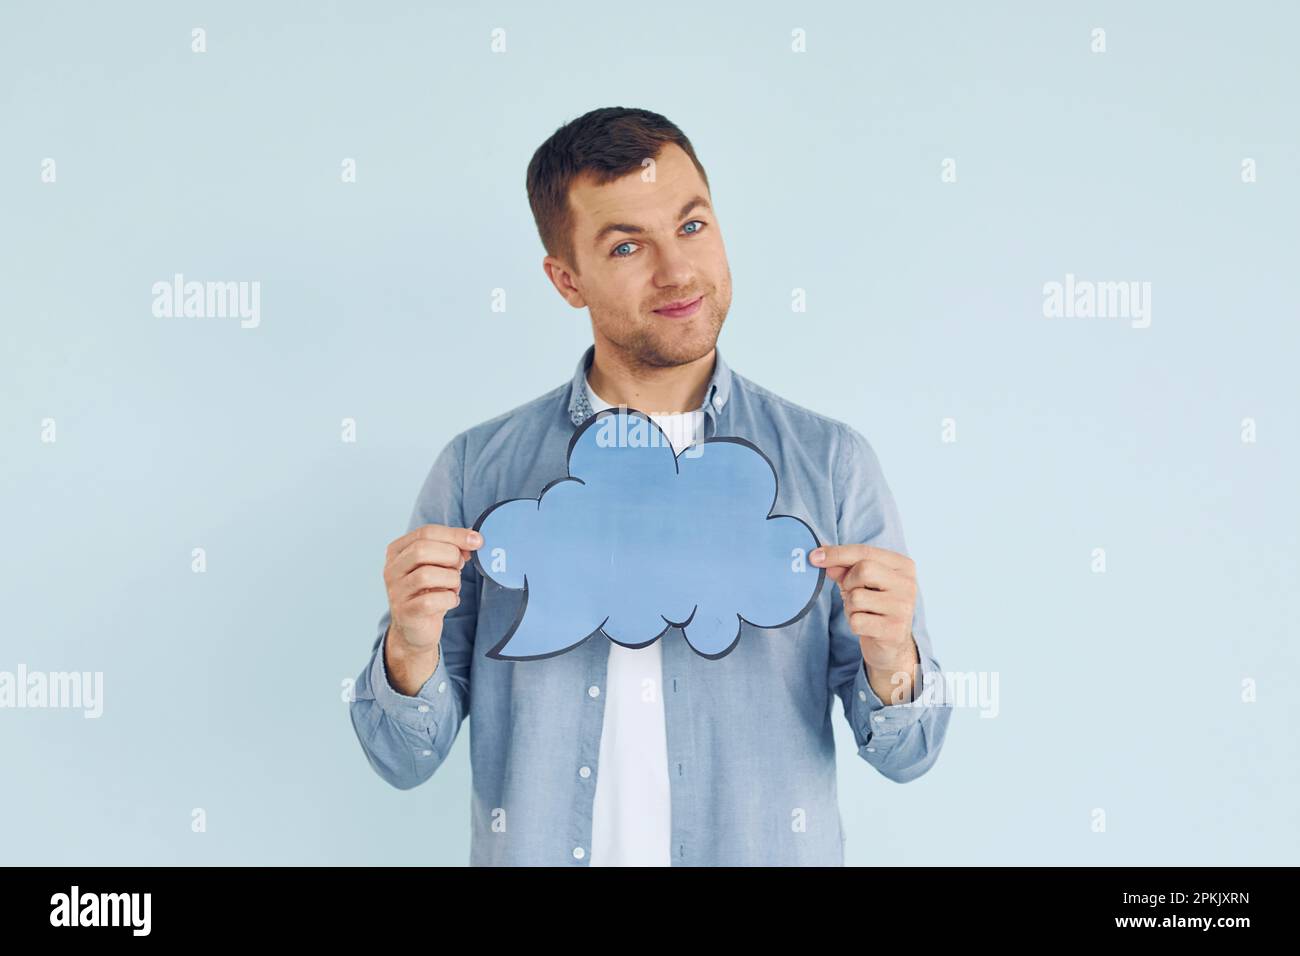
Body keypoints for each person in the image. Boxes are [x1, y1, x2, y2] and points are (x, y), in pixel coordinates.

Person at [349, 106, 952, 866]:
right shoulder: (479, 471)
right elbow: (400, 757)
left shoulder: (830, 464)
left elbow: (910, 753)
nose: (677, 272)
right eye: (628, 245)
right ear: (566, 280)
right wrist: (409, 645)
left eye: (692, 226)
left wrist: (893, 657)